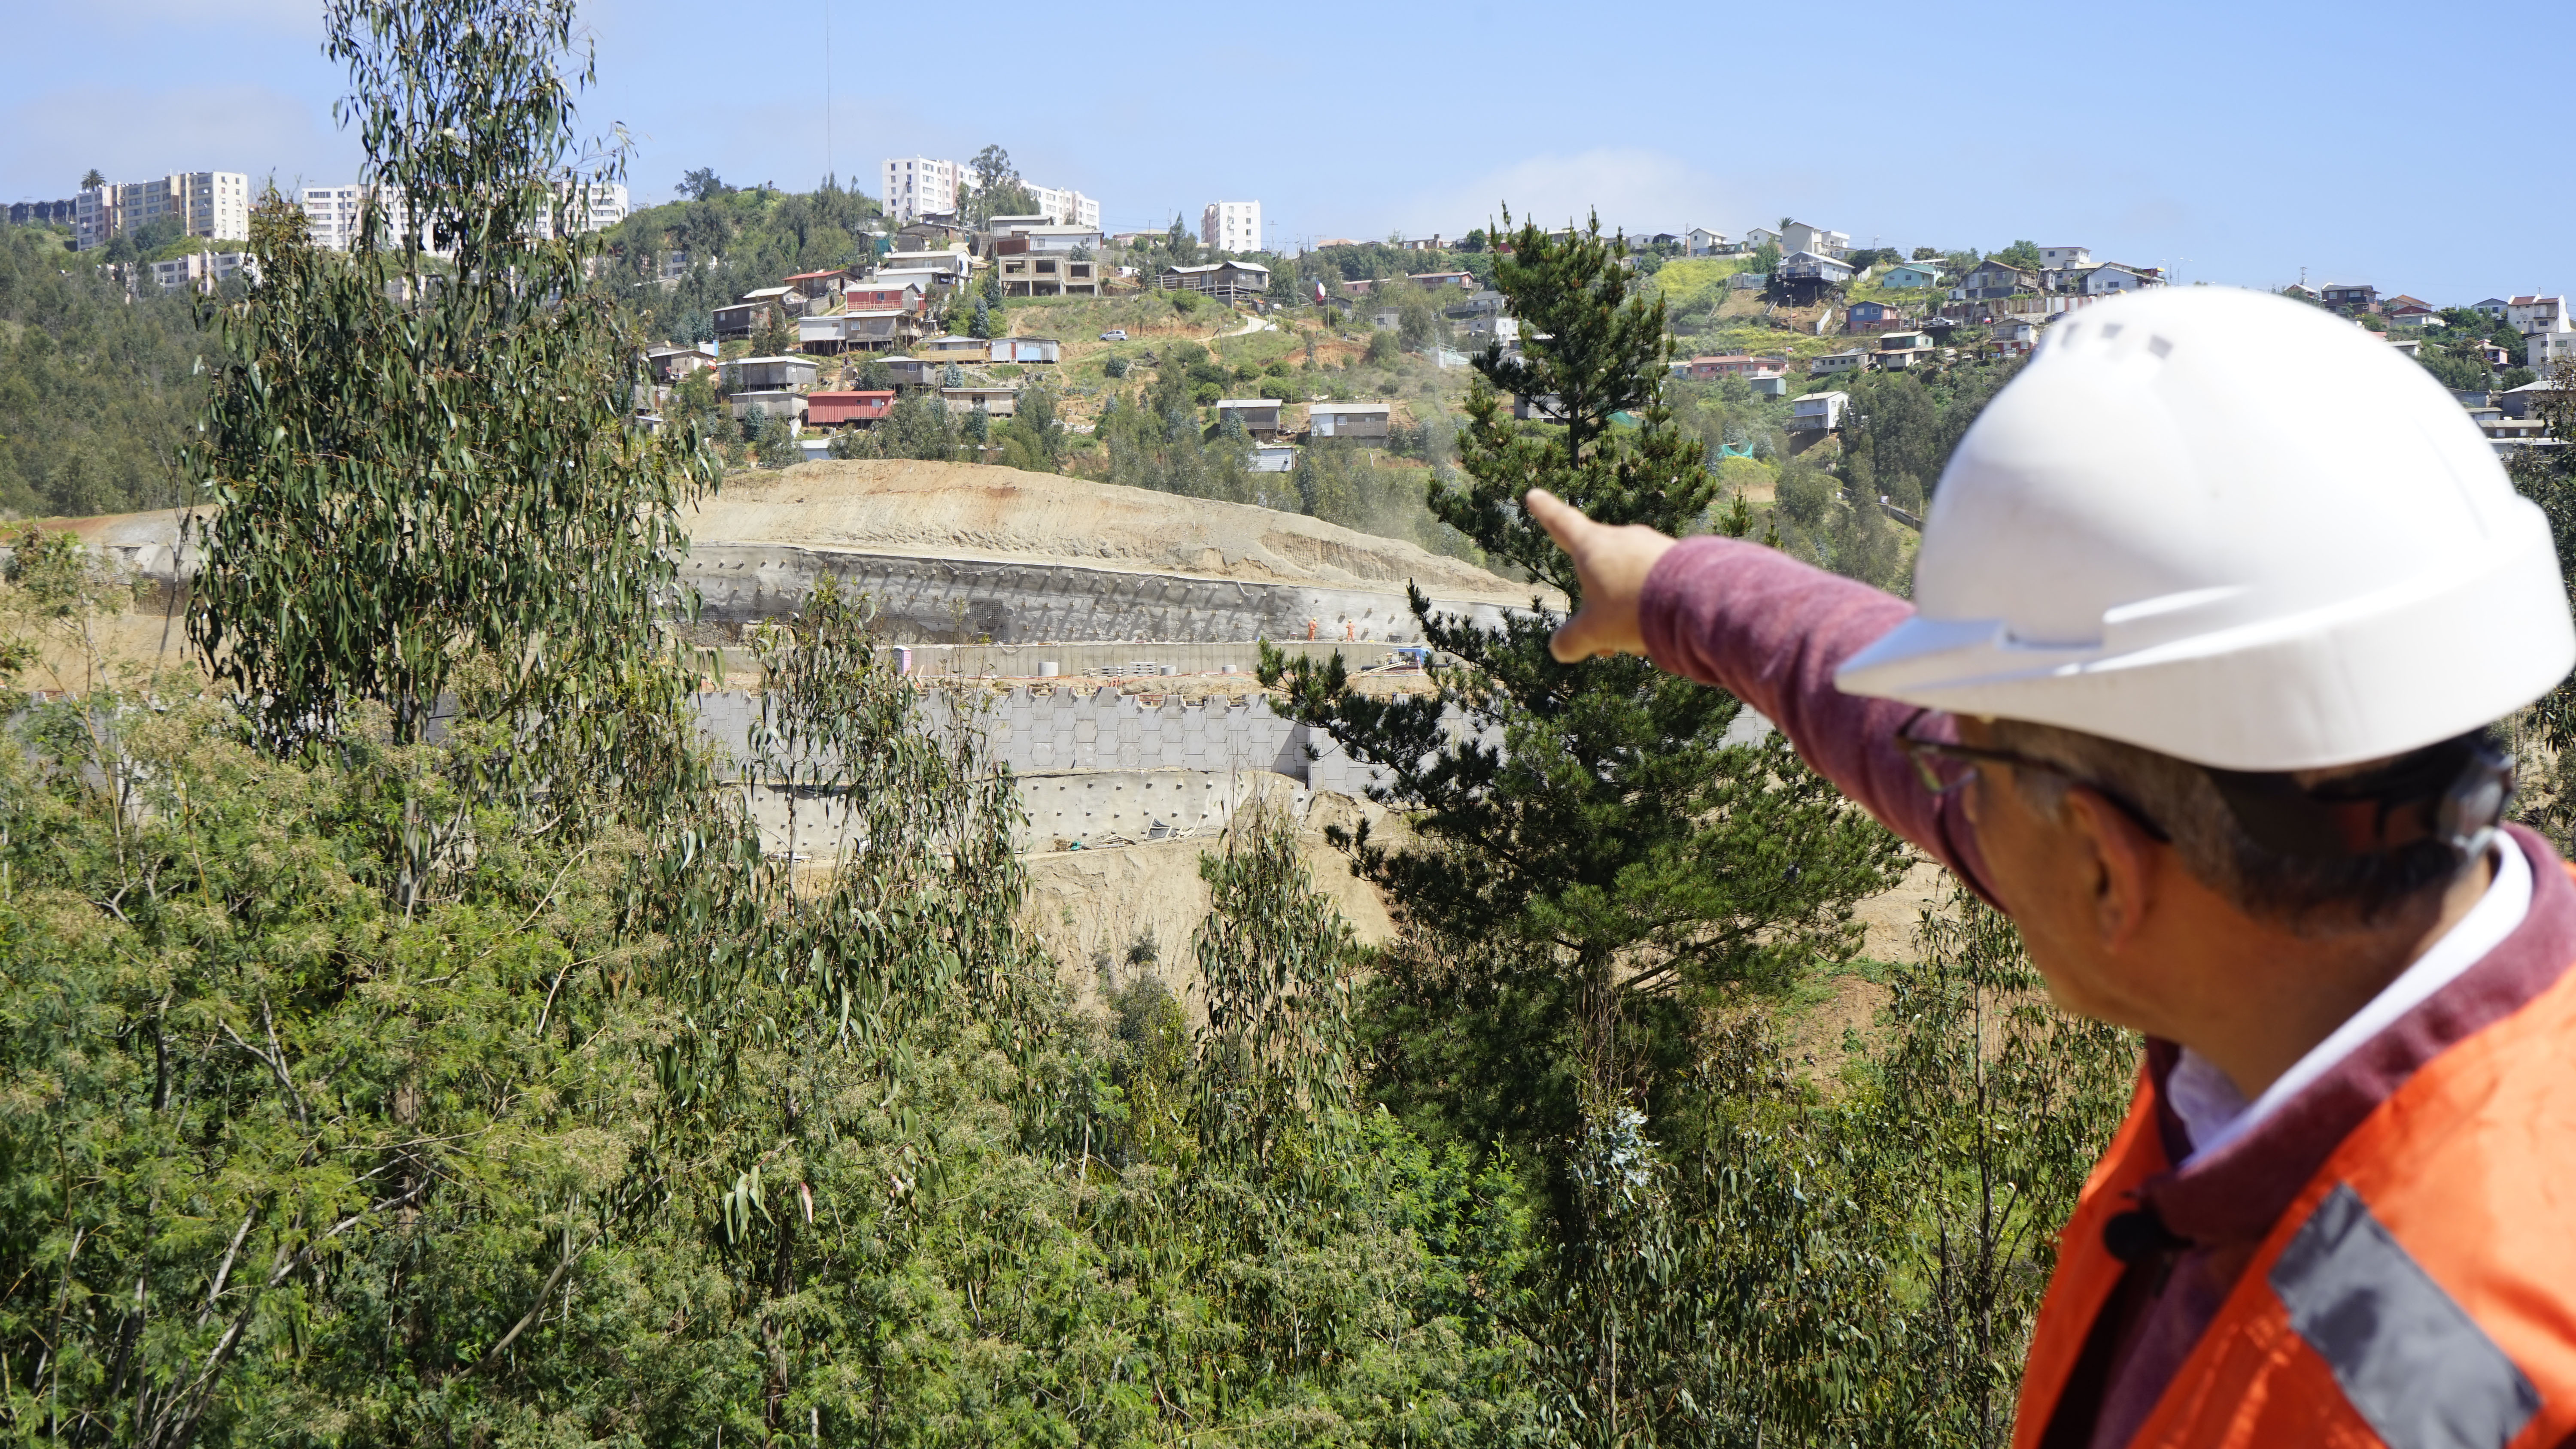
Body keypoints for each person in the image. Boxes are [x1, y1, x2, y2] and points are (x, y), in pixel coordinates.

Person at [1528, 287, 2576, 1449]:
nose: (1946, 801)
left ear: (2105, 870)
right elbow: (1891, 714)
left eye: (1966, 768)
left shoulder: (2434, 1369)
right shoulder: (2314, 943)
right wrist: (1672, 594)